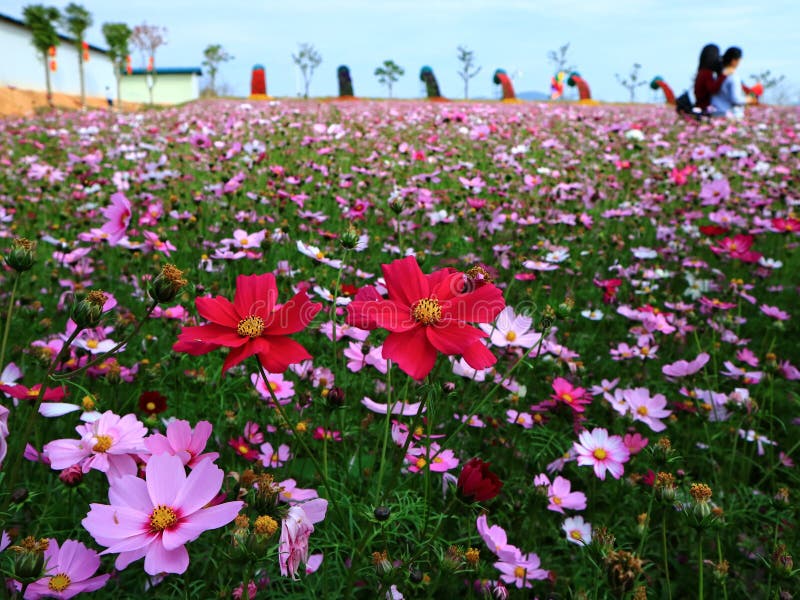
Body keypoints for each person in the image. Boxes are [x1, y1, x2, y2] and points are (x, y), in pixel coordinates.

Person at [711, 47, 753, 119]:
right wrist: (749, 99)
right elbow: (736, 99)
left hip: (716, 112)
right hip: (730, 115)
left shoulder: (718, 75)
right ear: (734, 61)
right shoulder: (733, 77)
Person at [693, 44, 727, 114]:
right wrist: (723, 75)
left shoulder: (701, 72)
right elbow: (713, 89)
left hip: (700, 107)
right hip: (705, 109)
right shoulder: (706, 73)